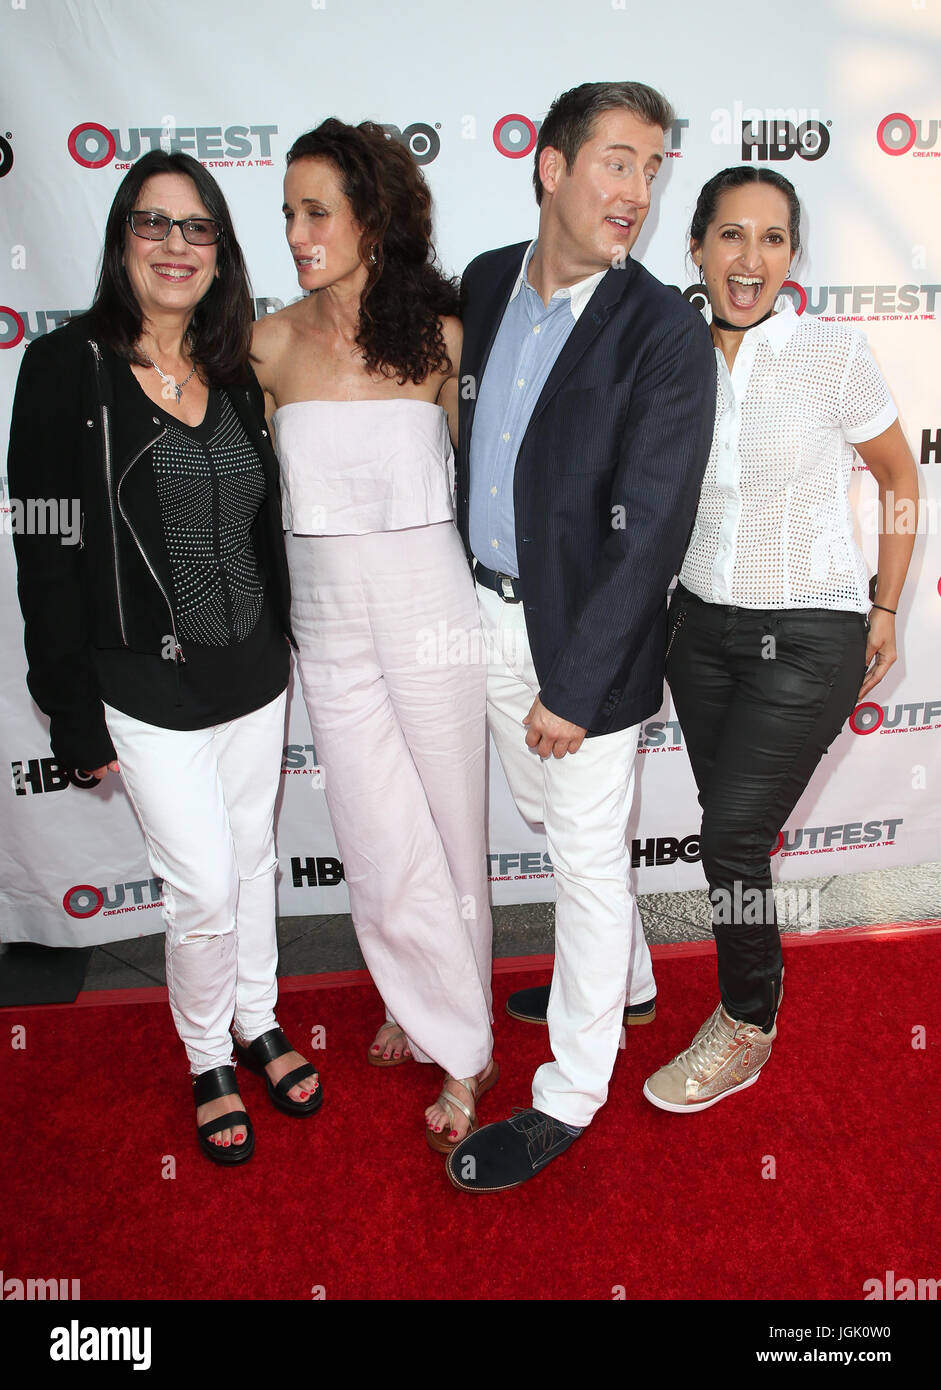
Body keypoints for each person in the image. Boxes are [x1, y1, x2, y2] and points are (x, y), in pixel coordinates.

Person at [8, 150, 320, 1167]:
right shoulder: (65, 370)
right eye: (155, 224)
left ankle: (257, 1016)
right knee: (198, 885)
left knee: (254, 859)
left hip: (251, 673)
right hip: (142, 681)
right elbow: (44, 539)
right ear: (121, 239)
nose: (176, 247)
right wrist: (67, 703)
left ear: (221, 251)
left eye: (197, 229)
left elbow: (264, 522)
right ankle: (205, 1057)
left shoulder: (237, 368)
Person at [445, 81, 716, 1193]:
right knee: (543, 823)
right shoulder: (480, 281)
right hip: (480, 615)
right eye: (615, 160)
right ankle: (629, 985)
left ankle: (568, 1089)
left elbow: (648, 534)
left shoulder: (661, 331)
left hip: (580, 654)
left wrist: (577, 679)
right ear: (549, 167)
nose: (637, 192)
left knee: (587, 866)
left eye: (651, 168)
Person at [643, 165, 918, 1112]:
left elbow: (897, 478)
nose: (748, 256)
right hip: (698, 630)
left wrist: (884, 606)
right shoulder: (664, 355)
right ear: (696, 247)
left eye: (770, 237)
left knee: (725, 835)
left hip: (810, 629)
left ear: (792, 254)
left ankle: (745, 1024)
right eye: (729, 235)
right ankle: (754, 985)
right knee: (741, 846)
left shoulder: (831, 354)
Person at [251, 119, 496, 1152]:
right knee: (372, 834)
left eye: (318, 212)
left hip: (430, 610)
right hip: (326, 621)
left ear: (372, 217)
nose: (299, 233)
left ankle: (468, 1051)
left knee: (448, 833)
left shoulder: (443, 337)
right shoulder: (263, 343)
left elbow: (489, 488)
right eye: (288, 215)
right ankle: (411, 990)